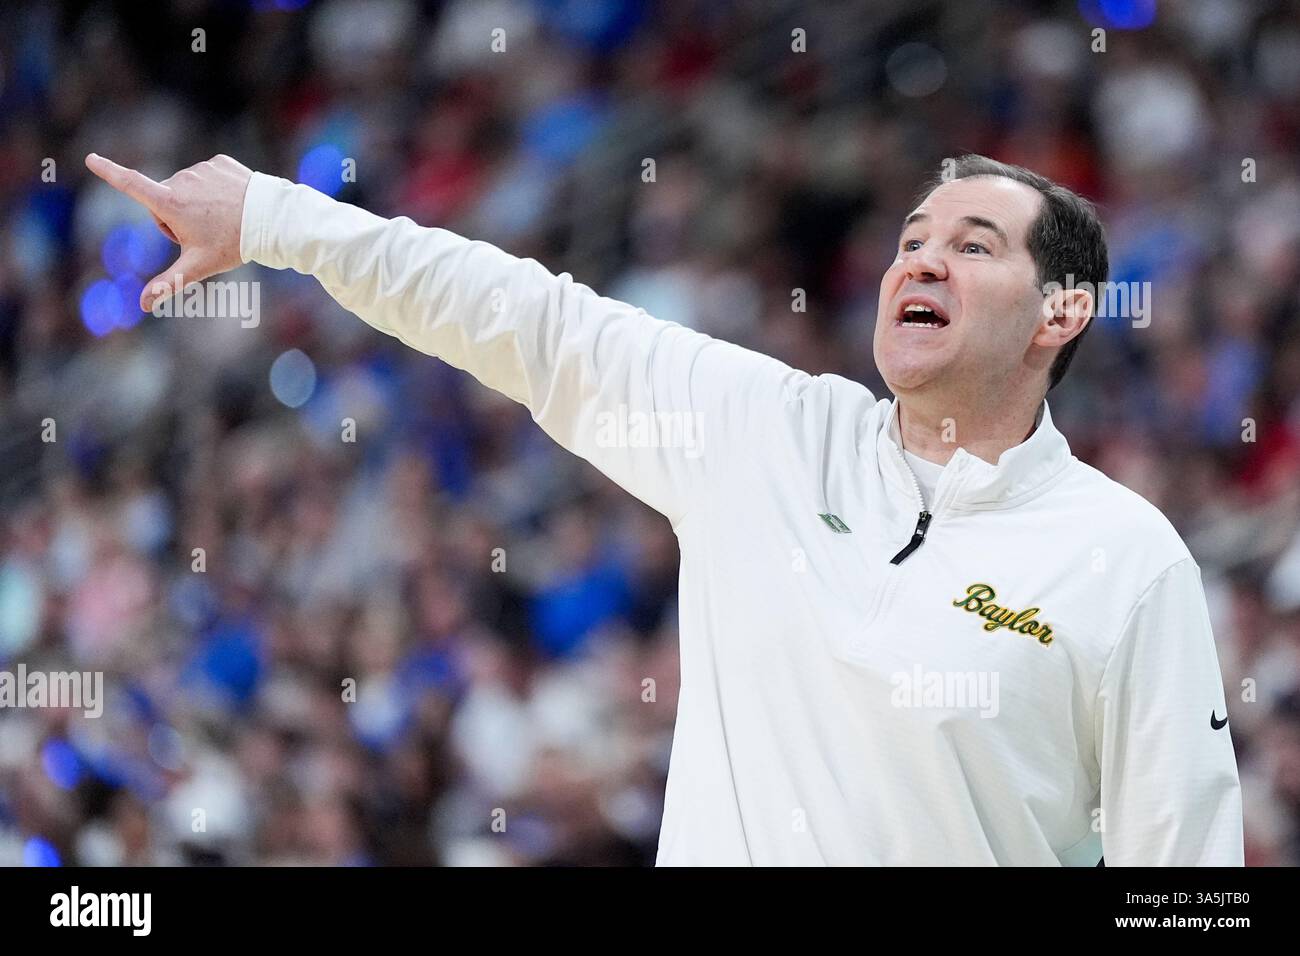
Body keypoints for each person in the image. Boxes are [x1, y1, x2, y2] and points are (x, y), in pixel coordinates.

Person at [84, 150, 1244, 865]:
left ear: (1060, 313)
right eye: (910, 241)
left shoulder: (1123, 560)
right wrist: (276, 218)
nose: (919, 264)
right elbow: (530, 319)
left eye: (972, 245)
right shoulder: (766, 429)